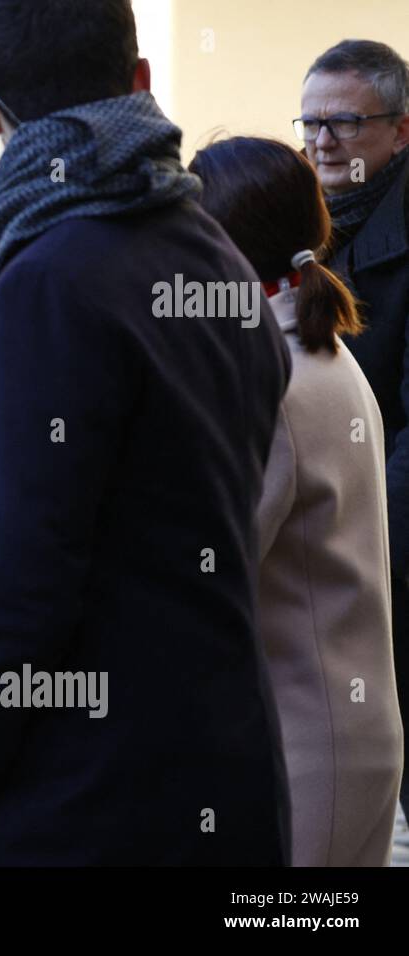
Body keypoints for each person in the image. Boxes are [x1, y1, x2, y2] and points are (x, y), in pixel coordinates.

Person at [0, 0, 291, 866]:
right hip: (227, 765)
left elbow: (25, 582)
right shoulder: (213, 257)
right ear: (140, 82)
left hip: (92, 793)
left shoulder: (47, 281)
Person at [190, 135, 403, 866]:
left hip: (307, 741)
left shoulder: (270, 379)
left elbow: (212, 569)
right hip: (337, 730)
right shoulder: (317, 351)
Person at [299, 39, 409, 817]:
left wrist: (369, 553)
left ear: (400, 130)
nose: (321, 142)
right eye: (309, 124)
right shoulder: (304, 230)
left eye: (343, 122)